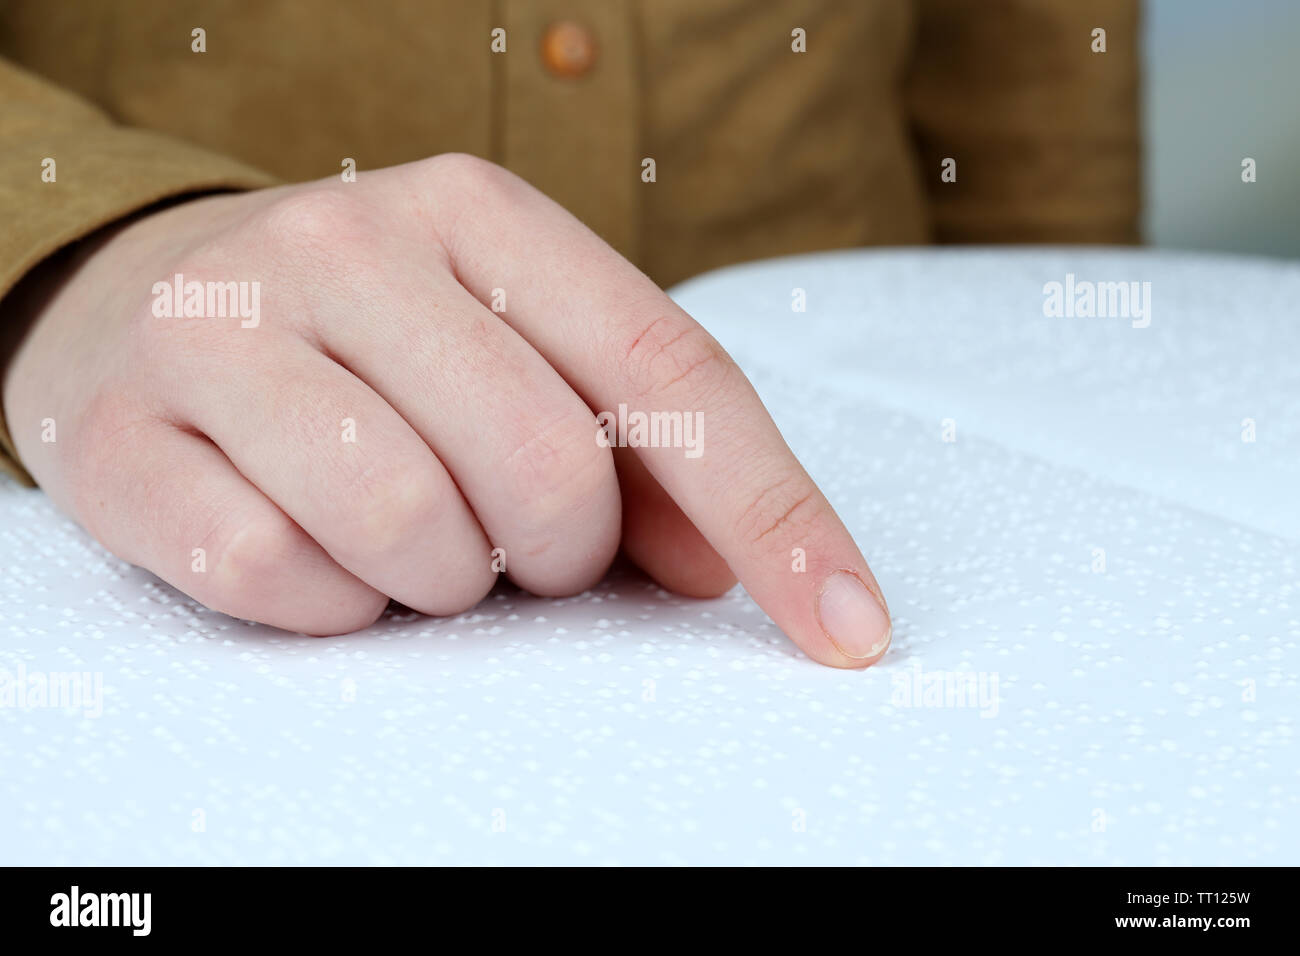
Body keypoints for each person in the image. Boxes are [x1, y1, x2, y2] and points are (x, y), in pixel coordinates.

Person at [0, 0, 1139, 667]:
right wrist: (81, 247)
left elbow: (1030, 68)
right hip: (157, 454)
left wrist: (1047, 330)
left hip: (889, 399)